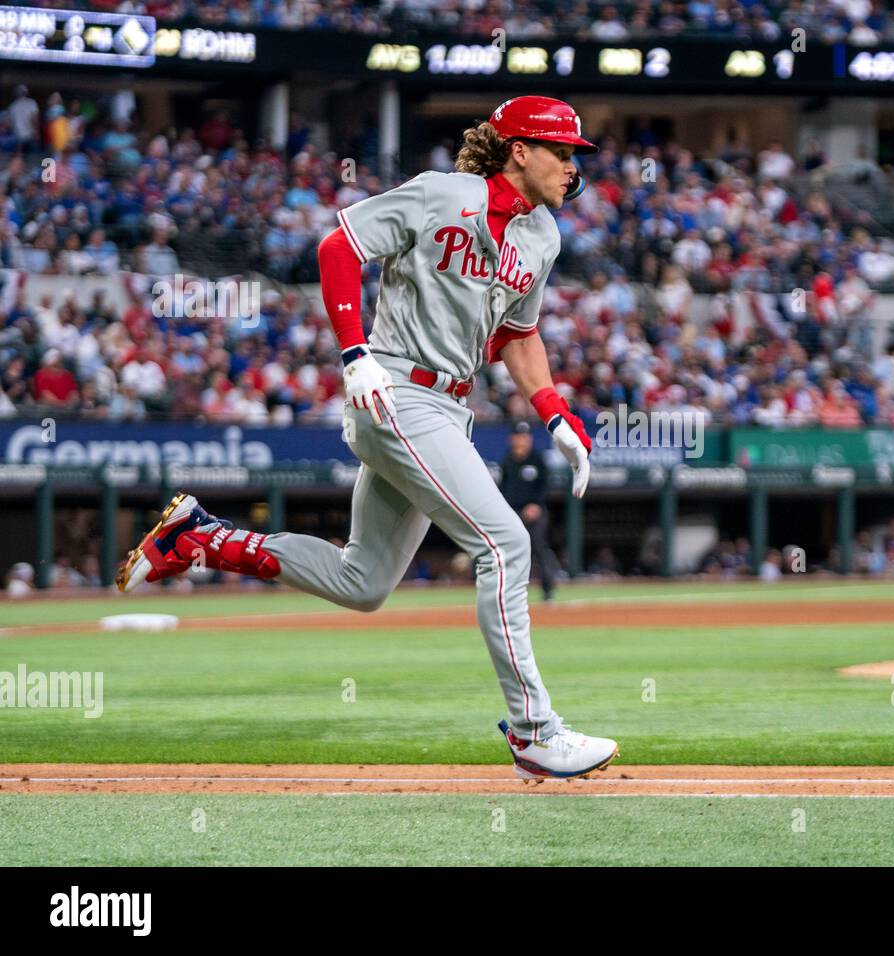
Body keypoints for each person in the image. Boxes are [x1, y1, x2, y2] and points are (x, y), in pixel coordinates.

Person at [114, 97, 618, 781]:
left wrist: (557, 414)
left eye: (575, 155)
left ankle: (201, 539)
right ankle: (534, 732)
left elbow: (517, 336)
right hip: (397, 392)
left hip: (450, 406)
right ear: (519, 150)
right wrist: (355, 353)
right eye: (561, 151)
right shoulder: (444, 193)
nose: (571, 165)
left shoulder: (543, 236)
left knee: (363, 582)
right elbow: (338, 246)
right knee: (505, 545)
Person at [499, 420, 561, 601]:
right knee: (509, 551)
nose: (522, 440)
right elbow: (503, 488)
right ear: (512, 439)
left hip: (535, 511)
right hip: (513, 512)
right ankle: (509, 591)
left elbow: (544, 486)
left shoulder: (537, 459)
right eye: (519, 436)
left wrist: (535, 504)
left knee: (538, 546)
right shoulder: (507, 461)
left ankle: (548, 589)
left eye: (525, 436)